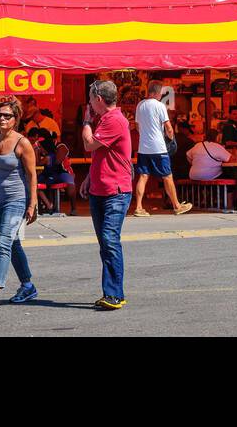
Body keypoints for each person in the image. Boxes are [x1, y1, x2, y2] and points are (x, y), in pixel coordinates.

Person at [0, 95, 40, 308]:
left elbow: (32, 176)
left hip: (16, 200)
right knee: (12, 243)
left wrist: (33, 204)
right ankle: (27, 285)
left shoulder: (23, 143)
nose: (1, 119)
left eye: (7, 116)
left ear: (15, 119)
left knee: (3, 242)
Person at [79, 79, 133, 311]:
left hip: (115, 191)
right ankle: (111, 292)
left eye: (91, 99)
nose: (89, 103)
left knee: (110, 240)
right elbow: (103, 155)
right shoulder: (107, 120)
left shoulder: (113, 120)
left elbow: (89, 145)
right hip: (100, 189)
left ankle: (114, 294)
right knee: (105, 243)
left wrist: (86, 121)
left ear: (98, 100)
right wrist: (90, 178)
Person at [131, 80, 192, 217]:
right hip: (158, 147)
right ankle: (177, 206)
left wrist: (145, 136)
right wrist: (171, 139)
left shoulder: (140, 105)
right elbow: (168, 128)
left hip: (143, 148)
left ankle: (139, 207)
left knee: (143, 176)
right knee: (167, 176)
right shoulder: (160, 106)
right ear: (158, 93)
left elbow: (137, 126)